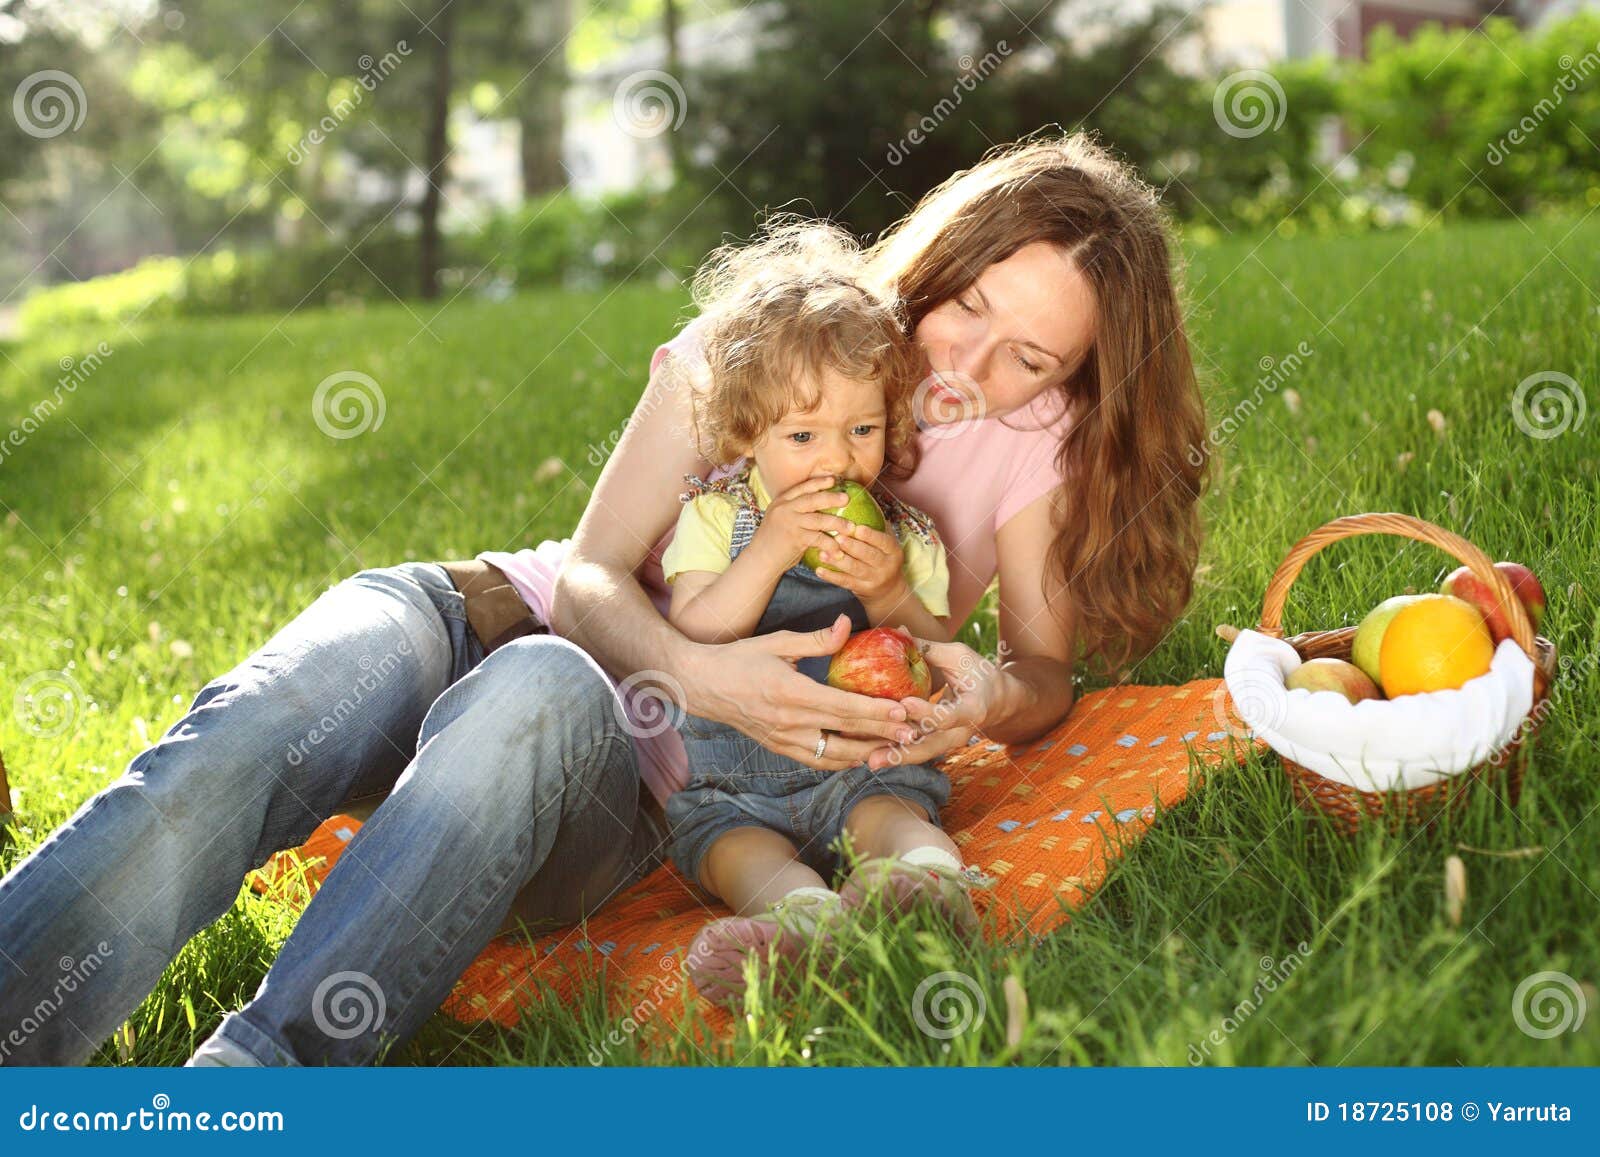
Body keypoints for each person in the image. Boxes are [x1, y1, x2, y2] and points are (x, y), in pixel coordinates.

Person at [0, 131, 1209, 1066]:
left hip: (608, 759)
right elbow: (585, 573)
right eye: (971, 307)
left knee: (534, 690)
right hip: (483, 610)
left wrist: (988, 688)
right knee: (281, 710)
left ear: (1077, 379)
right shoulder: (777, 335)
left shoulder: (1030, 447)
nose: (967, 367)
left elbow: (1044, 680)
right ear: (943, 255)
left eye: (1032, 359)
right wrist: (698, 666)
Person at [652, 226, 988, 1008]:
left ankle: (927, 889)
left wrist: (890, 591)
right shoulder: (714, 517)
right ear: (745, 435)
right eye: (802, 436)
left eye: (861, 431)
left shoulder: (901, 534)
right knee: (735, 853)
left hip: (863, 767)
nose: (836, 461)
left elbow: (937, 652)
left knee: (895, 817)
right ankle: (802, 930)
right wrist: (768, 549)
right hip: (737, 786)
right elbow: (697, 635)